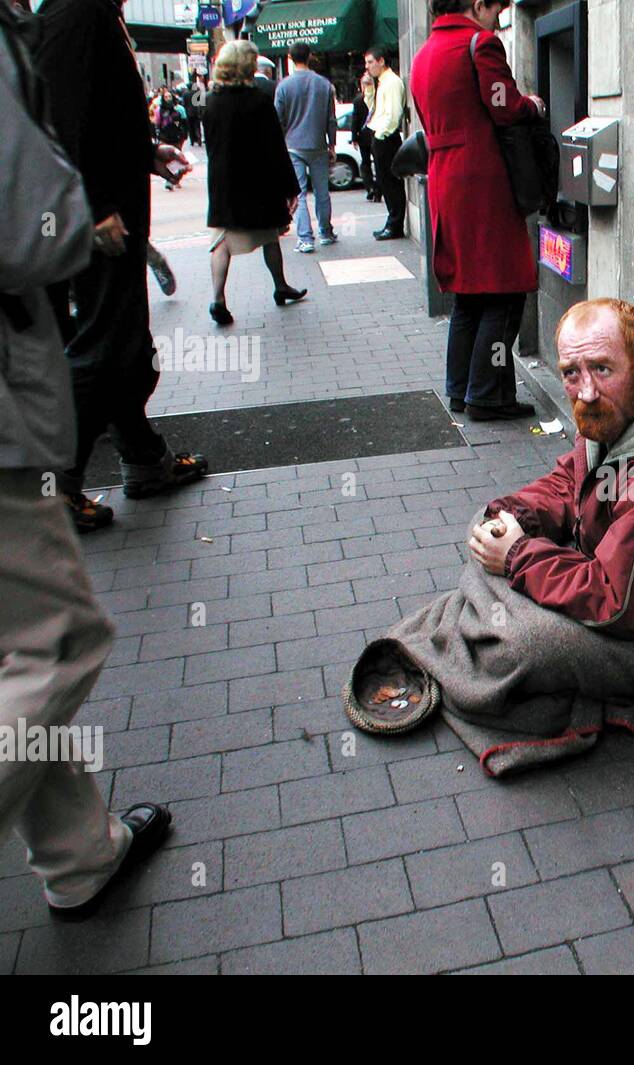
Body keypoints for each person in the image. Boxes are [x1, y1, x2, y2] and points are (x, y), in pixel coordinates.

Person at [346, 299, 634, 776]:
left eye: (602, 369)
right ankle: (483, 626)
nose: (586, 391)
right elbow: (570, 483)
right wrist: (512, 516)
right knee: (490, 537)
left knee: (522, 637)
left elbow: (621, 604)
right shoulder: (618, 411)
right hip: (627, 585)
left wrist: (518, 558)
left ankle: (474, 632)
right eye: (571, 372)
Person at [0, 0, 171, 922]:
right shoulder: (50, 18)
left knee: (16, 648)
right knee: (59, 640)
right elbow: (25, 206)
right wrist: (87, 225)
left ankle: (79, 855)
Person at [35, 0, 208, 532]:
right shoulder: (79, 14)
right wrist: (93, 208)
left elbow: (98, 114)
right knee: (103, 344)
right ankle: (58, 483)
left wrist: (145, 152)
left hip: (112, 211)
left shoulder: (90, 13)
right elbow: (65, 122)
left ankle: (143, 458)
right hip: (100, 219)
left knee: (123, 343)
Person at [410, 0, 547, 420]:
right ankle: (489, 395)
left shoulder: (424, 54)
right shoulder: (480, 44)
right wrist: (533, 105)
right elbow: (503, 105)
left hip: (446, 179)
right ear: (477, 5)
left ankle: (460, 391)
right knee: (504, 290)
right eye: (495, 8)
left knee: (470, 294)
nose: (498, 17)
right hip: (483, 180)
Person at [205, 40, 306, 325]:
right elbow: (275, 146)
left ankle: (217, 298)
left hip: (224, 182)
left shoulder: (212, 102)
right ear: (247, 66)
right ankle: (280, 285)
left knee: (221, 241)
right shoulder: (259, 100)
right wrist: (290, 188)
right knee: (270, 235)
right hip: (258, 181)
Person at [275, 41, 337, 253]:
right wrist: (332, 144)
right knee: (322, 192)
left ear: (290, 58)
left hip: (293, 146)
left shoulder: (284, 86)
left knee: (299, 194)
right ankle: (326, 232)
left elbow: (278, 119)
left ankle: (305, 238)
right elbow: (331, 119)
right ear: (310, 56)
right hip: (318, 145)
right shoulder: (324, 84)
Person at [364, 47, 407, 240]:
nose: (368, 67)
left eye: (370, 62)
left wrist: (381, 135)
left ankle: (395, 225)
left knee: (391, 183)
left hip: (386, 138)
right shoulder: (382, 82)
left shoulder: (392, 82)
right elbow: (374, 109)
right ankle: (392, 222)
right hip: (381, 135)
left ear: (381, 61)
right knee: (385, 181)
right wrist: (369, 89)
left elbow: (393, 113)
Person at [352, 72, 377, 202]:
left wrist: (354, 137)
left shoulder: (358, 101)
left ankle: (370, 187)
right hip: (375, 135)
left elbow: (355, 120)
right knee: (378, 163)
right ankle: (378, 190)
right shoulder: (376, 98)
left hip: (363, 137)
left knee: (365, 163)